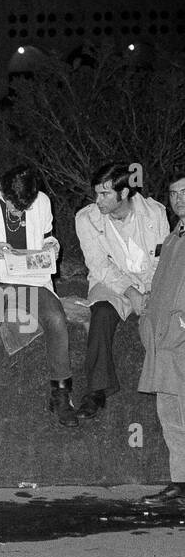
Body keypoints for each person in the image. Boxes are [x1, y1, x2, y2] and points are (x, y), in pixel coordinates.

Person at [0, 164, 79, 428]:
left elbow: (49, 236)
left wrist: (51, 246)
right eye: (14, 207)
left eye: (24, 207)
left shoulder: (42, 201)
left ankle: (61, 396)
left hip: (32, 280)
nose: (19, 212)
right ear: (2, 190)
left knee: (56, 317)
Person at [74, 162, 170, 420]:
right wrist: (131, 292)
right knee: (101, 313)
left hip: (150, 281)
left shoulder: (155, 214)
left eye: (104, 194)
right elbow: (99, 265)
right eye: (96, 193)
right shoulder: (87, 219)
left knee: (163, 321)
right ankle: (97, 390)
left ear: (124, 193)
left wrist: (150, 292)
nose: (98, 200)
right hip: (112, 284)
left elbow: (162, 260)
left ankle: (168, 386)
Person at [138, 173, 185, 503]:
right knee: (170, 413)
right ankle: (180, 482)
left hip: (179, 337)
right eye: (173, 194)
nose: (179, 199)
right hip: (164, 340)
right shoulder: (174, 235)